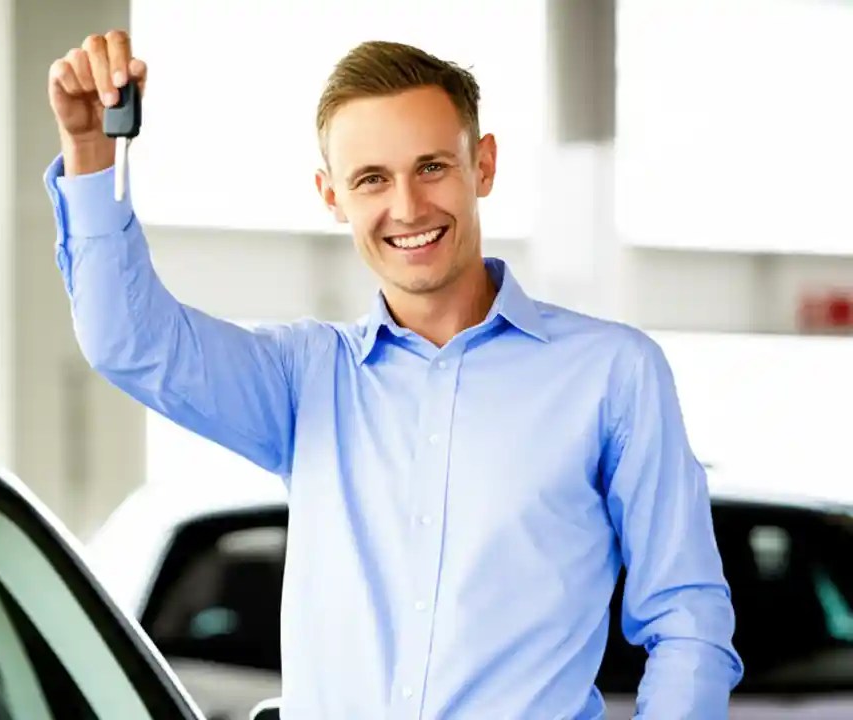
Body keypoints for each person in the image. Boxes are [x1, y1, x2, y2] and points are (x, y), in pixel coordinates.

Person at [43, 30, 743, 720]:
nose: (407, 207)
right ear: (331, 195)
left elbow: (687, 617)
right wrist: (91, 153)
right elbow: (128, 341)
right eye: (372, 179)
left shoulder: (611, 374)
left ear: (483, 166)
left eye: (432, 167)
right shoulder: (303, 380)